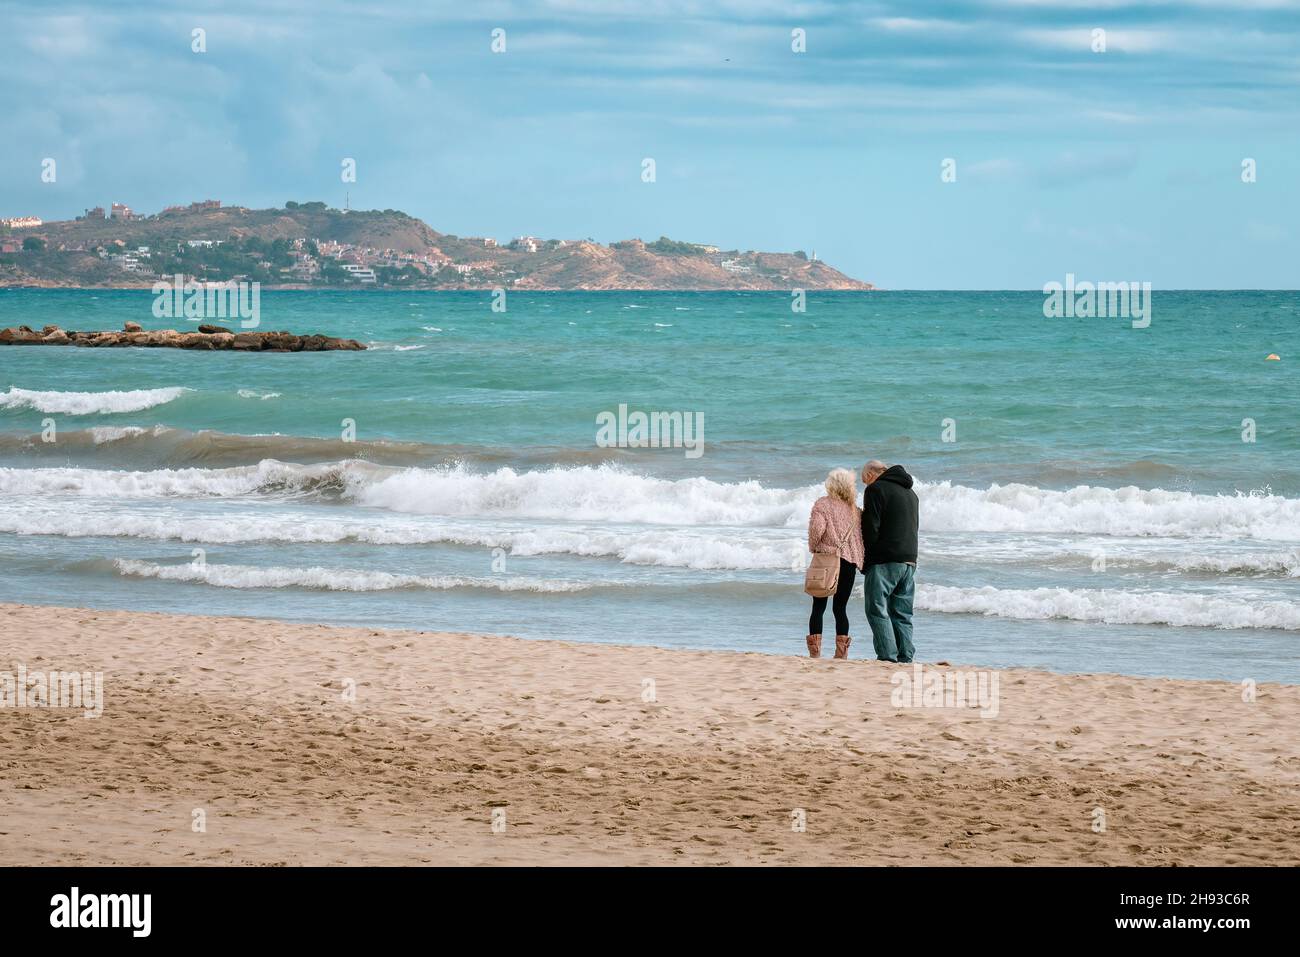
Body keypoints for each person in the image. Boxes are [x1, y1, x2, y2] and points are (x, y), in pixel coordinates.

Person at [860, 459, 919, 663]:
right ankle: (905, 655)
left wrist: (867, 560)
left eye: (865, 480)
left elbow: (870, 528)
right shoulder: (911, 494)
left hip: (884, 560)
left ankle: (887, 656)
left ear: (870, 474)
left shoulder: (876, 489)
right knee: (902, 612)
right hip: (909, 560)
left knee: (876, 608)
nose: (865, 485)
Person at [805, 468, 865, 659]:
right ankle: (841, 655)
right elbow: (859, 540)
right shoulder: (854, 510)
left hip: (826, 560)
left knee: (818, 607)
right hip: (848, 561)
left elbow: (817, 530)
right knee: (840, 608)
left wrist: (814, 548)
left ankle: (815, 655)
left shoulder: (822, 504)